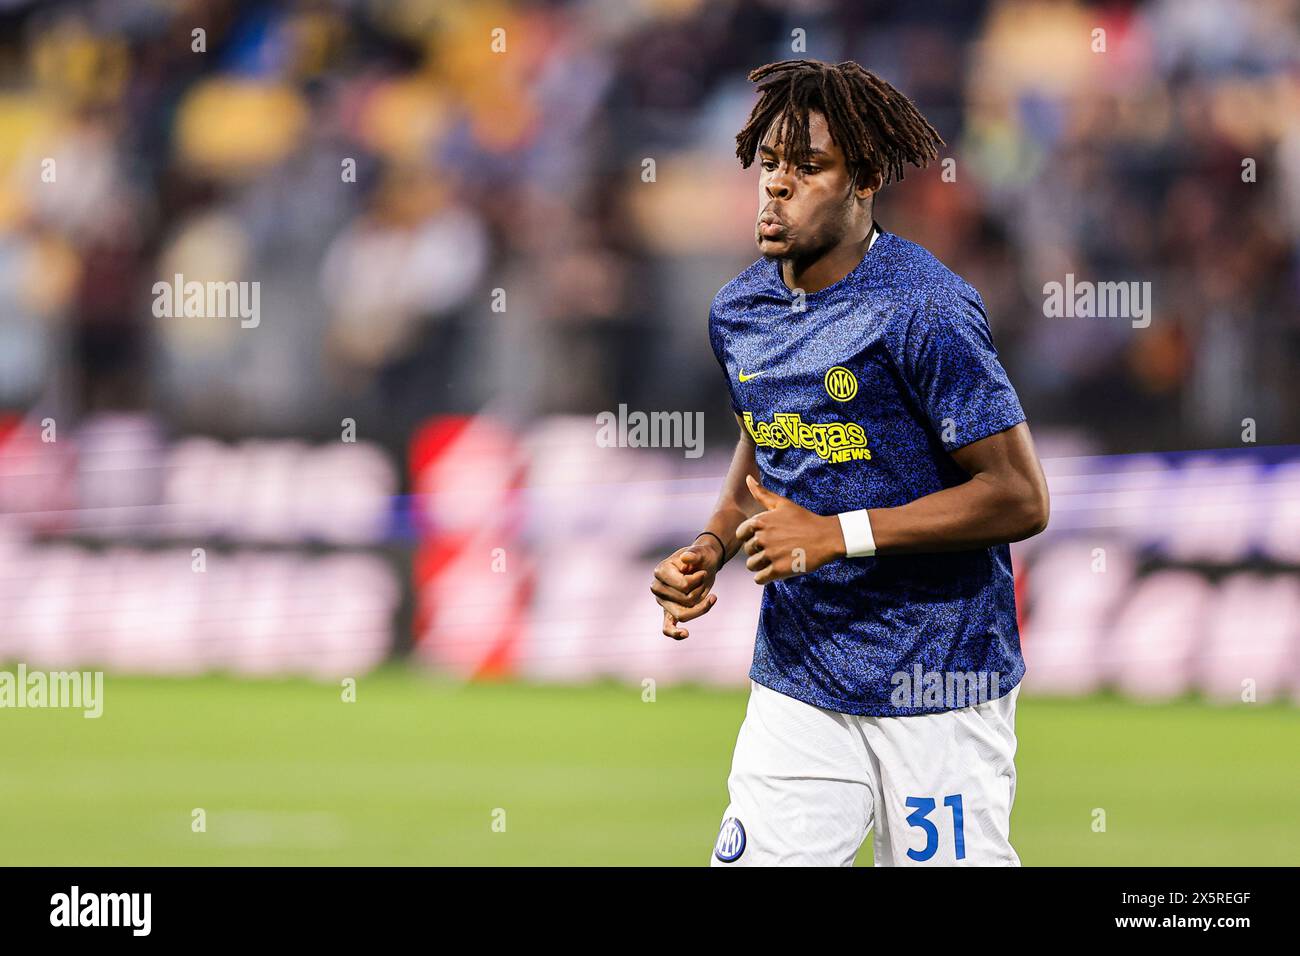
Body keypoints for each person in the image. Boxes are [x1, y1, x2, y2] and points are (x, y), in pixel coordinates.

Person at [650, 59, 1050, 866]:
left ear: (864, 177)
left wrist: (842, 534)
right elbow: (768, 446)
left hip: (938, 684)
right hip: (801, 676)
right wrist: (713, 544)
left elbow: (1019, 497)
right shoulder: (738, 312)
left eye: (807, 167)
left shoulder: (924, 306)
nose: (776, 187)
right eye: (769, 165)